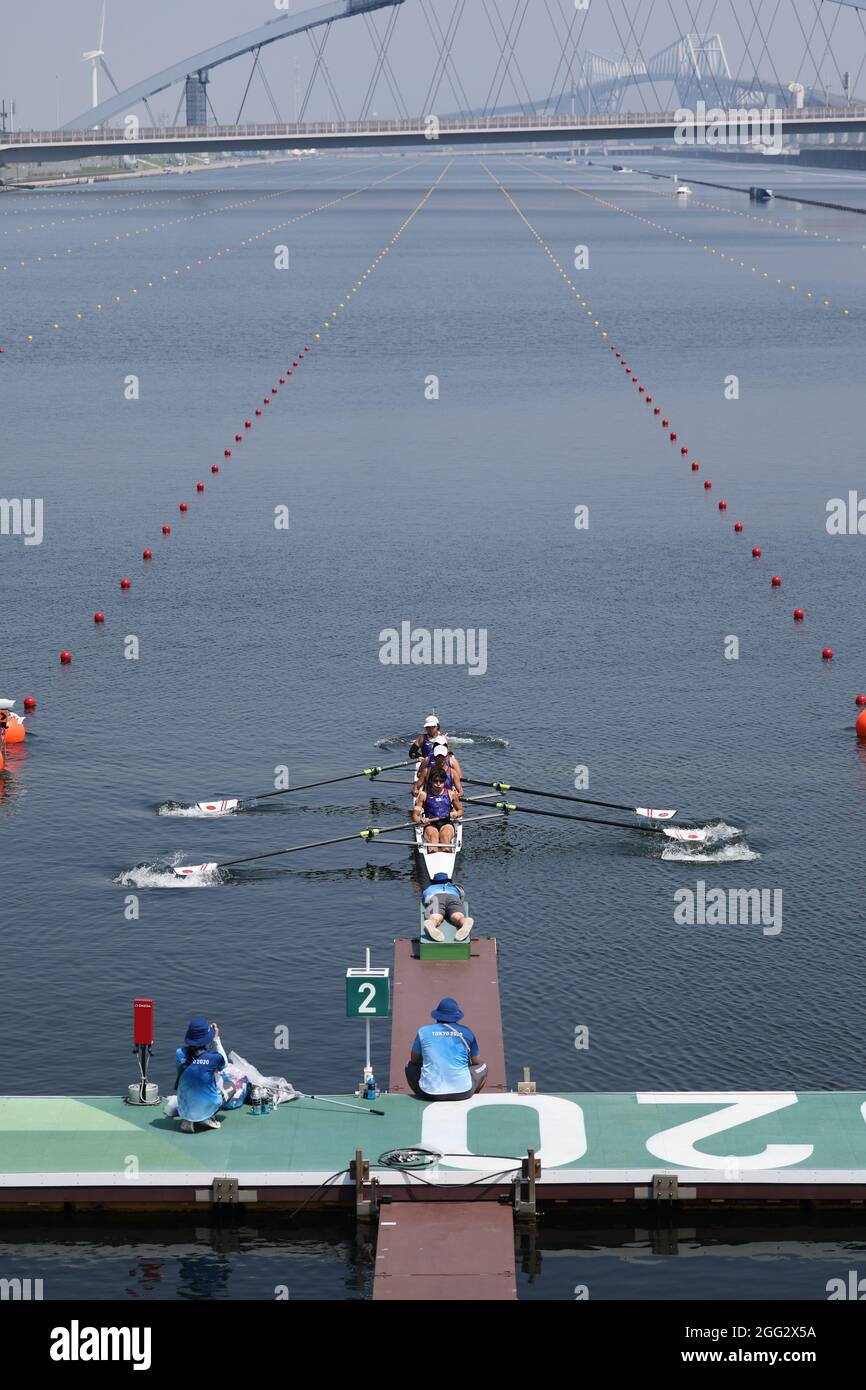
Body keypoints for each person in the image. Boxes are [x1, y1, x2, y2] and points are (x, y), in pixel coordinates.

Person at [174, 1017, 247, 1133]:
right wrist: (216, 1039)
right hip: (204, 1108)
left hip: (183, 1109)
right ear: (207, 1038)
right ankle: (207, 1117)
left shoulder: (179, 1054)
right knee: (231, 1086)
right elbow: (224, 1064)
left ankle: (188, 1119)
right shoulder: (213, 1058)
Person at [406, 998, 487, 1101]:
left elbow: (414, 1060)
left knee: (409, 1066)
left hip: (429, 1093)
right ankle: (469, 1098)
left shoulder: (423, 1031)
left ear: (437, 1016)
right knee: (483, 1066)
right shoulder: (467, 1032)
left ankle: (421, 1096)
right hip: (462, 1093)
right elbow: (476, 1061)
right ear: (457, 1017)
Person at [421, 872, 474, 943]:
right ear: (448, 881)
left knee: (435, 917)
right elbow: (461, 897)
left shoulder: (429, 888)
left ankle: (432, 922)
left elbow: (425, 900)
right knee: (457, 916)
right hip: (453, 896)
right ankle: (464, 922)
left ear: (434, 882)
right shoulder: (454, 887)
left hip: (436, 897)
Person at [412, 769, 461, 845]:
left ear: (444, 781)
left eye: (441, 781)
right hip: (430, 824)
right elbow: (415, 815)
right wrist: (421, 820)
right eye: (435, 781)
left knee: (445, 837)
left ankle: (446, 851)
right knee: (433, 838)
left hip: (446, 823)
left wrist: (456, 814)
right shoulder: (423, 795)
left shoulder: (451, 794)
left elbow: (461, 811)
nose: (438, 784)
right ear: (431, 781)